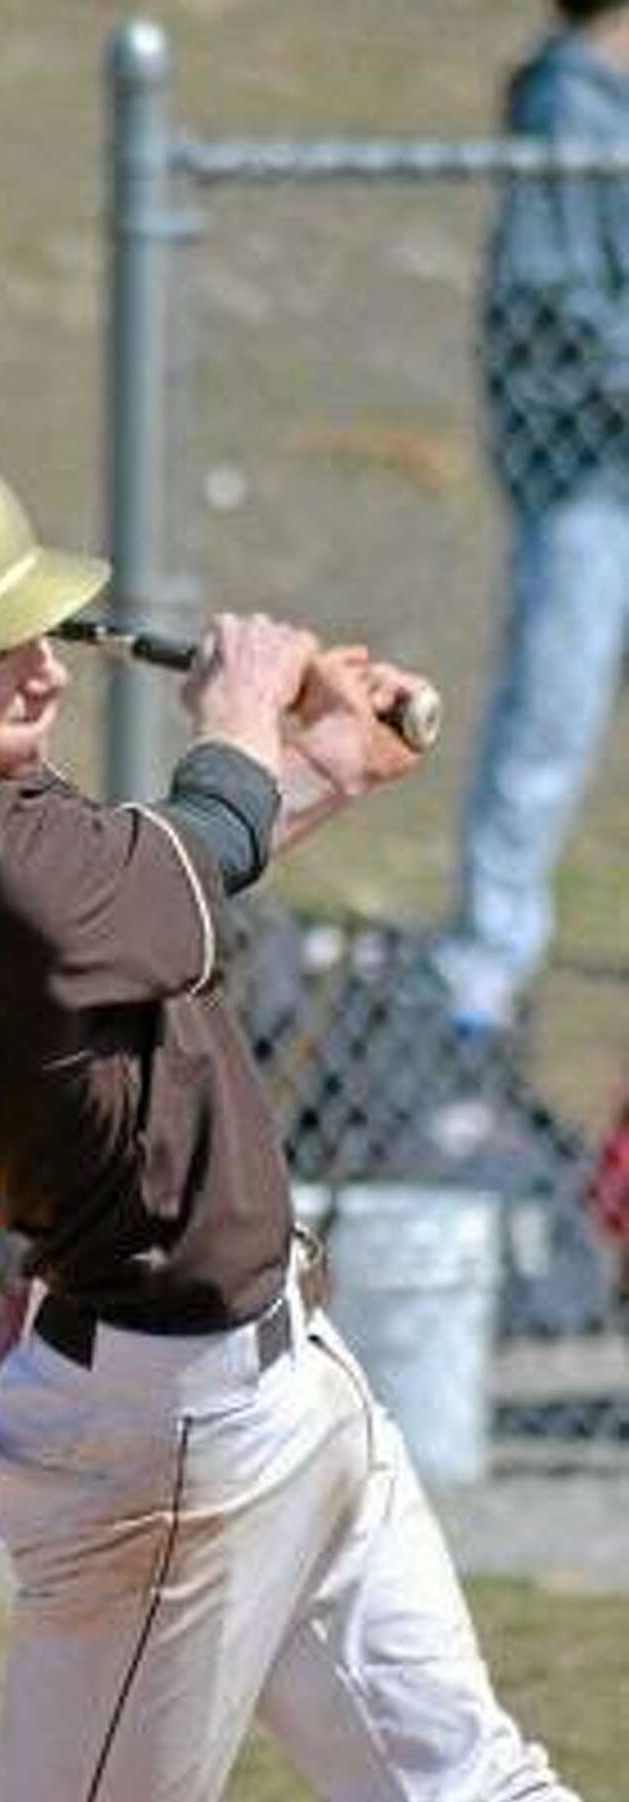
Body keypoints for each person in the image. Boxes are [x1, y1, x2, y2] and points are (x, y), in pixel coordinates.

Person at [0, 438, 580, 1802]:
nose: (48, 666)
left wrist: (325, 764)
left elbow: (152, 893)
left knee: (469, 1783)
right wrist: (238, 713)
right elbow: (158, 877)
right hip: (157, 1438)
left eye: (31, 629)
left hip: (286, 1370)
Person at [435, 0, 629, 1030]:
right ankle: (482, 972)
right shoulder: (572, 99)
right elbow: (554, 295)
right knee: (553, 710)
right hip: (590, 469)